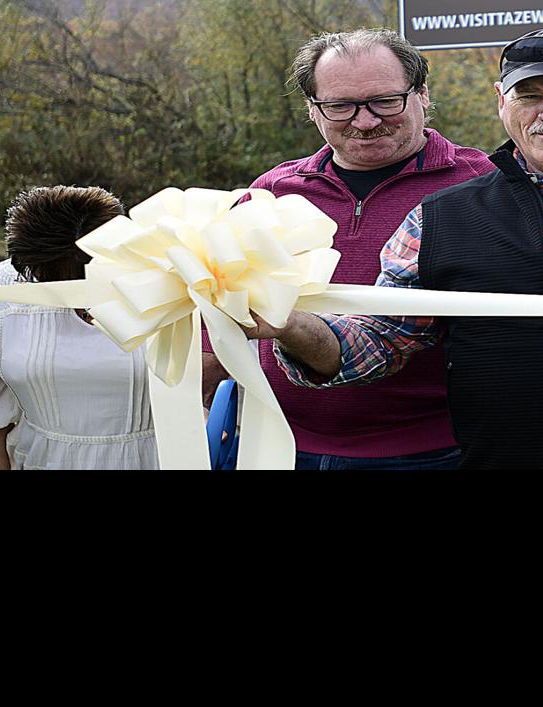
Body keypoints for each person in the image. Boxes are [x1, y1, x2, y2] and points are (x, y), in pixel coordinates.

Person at [260, 25, 543, 468]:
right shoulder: (441, 217)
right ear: (502, 102)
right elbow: (378, 341)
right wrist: (287, 323)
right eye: (530, 96)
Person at [205, 28, 494, 470]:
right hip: (280, 447)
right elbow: (218, 301)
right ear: (313, 110)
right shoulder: (273, 191)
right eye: (340, 106)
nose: (365, 120)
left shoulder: (480, 185)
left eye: (384, 101)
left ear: (422, 93)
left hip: (436, 453)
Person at [0, 186, 156, 470]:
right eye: (62, 279)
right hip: (41, 461)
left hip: (154, 459)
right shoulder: (3, 287)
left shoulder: (161, 282)